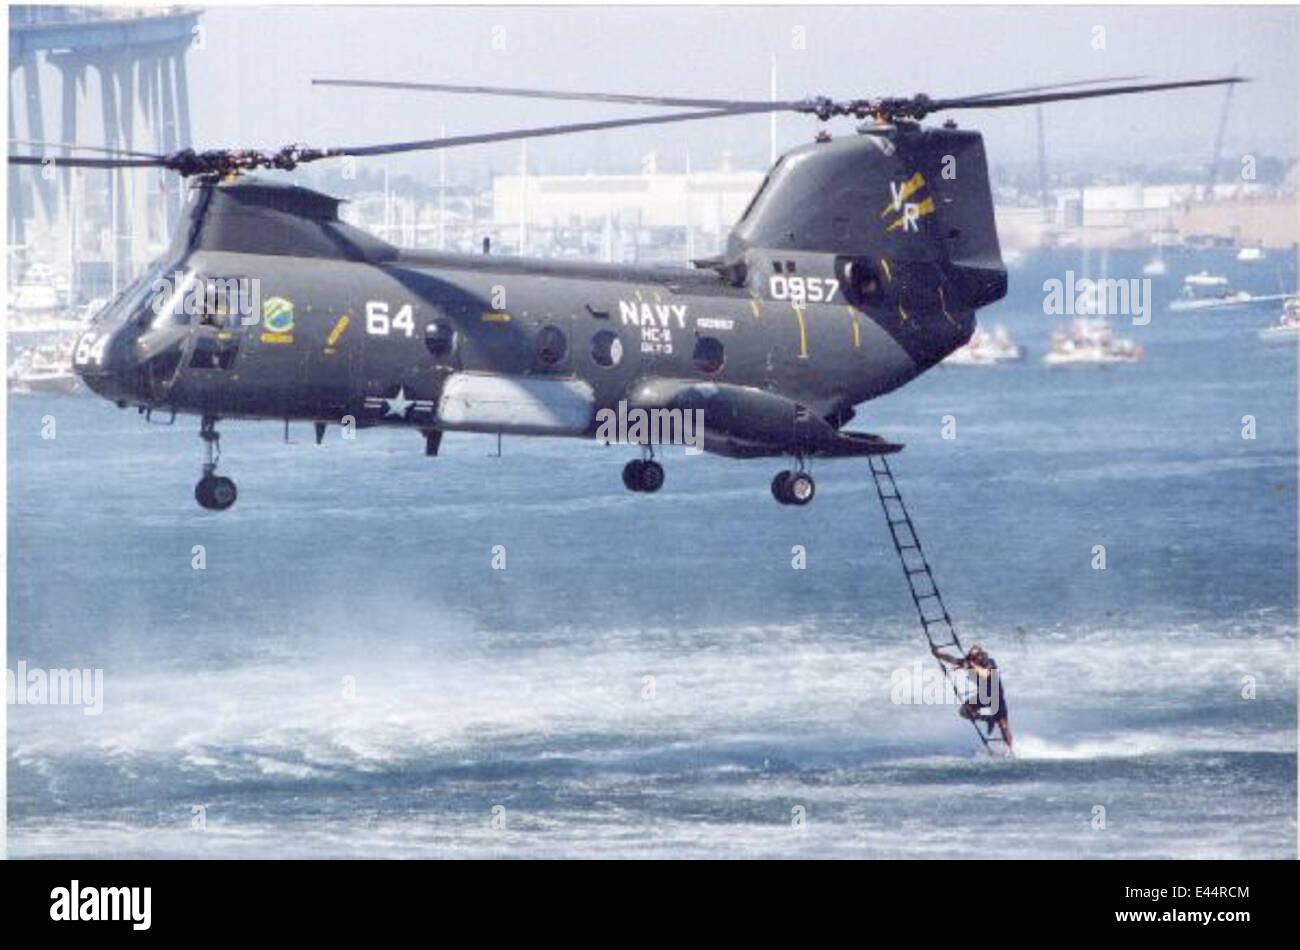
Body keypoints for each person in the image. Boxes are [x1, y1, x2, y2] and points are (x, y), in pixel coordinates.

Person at [932, 643, 1013, 750]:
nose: (975, 658)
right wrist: (939, 655)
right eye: (973, 657)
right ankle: (986, 718)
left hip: (996, 698)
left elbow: (985, 674)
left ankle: (1010, 749)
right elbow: (953, 660)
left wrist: (972, 665)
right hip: (983, 696)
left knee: (1003, 725)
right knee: (964, 712)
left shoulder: (989, 662)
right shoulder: (969, 662)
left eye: (977, 656)